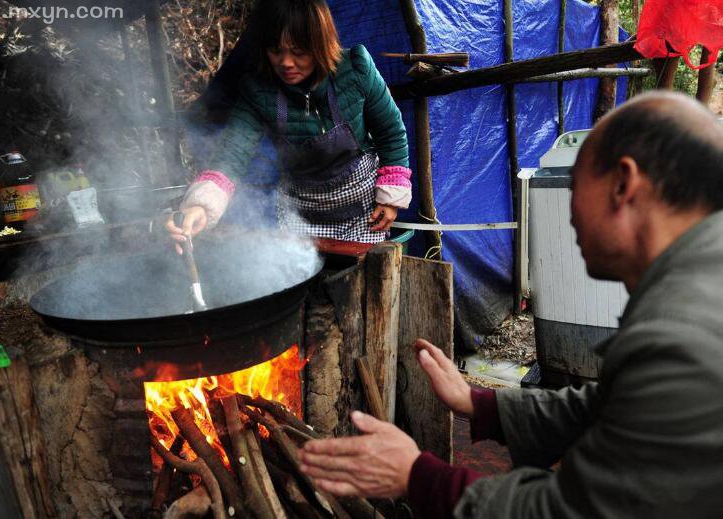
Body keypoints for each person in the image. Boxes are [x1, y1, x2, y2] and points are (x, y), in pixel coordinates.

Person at [297, 91, 723, 518]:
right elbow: (611, 406)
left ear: (623, 185)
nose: (570, 214)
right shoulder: (698, 281)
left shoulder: (685, 337)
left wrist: (418, 476)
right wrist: (480, 404)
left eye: (575, 188)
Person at [166, 0, 412, 250]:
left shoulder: (356, 69)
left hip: (361, 211)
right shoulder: (258, 90)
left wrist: (390, 198)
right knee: (304, 279)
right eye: (276, 50)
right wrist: (201, 205)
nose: (285, 63)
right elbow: (233, 152)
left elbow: (391, 132)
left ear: (320, 45)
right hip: (299, 213)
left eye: (298, 52)